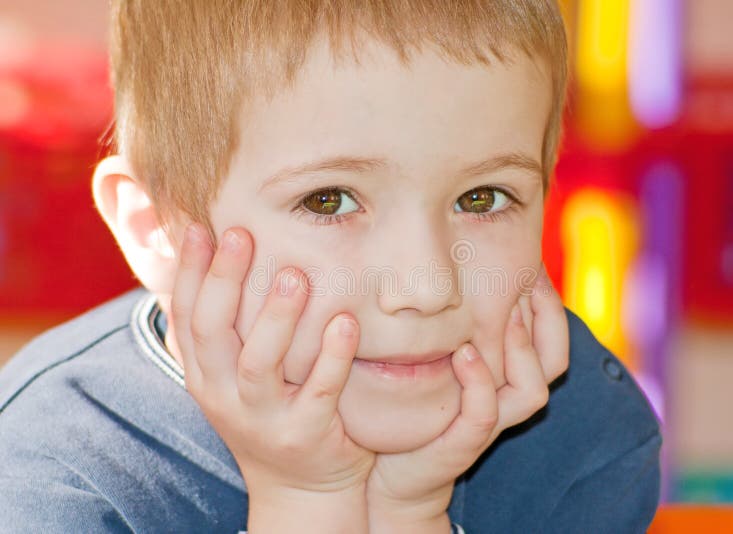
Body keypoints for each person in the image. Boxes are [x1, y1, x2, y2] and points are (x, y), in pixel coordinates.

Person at [0, 1, 662, 532]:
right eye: (330, 200)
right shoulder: (56, 476)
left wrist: (409, 512)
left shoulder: (581, 437)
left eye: (482, 199)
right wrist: (306, 503)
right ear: (156, 229)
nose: (426, 286)